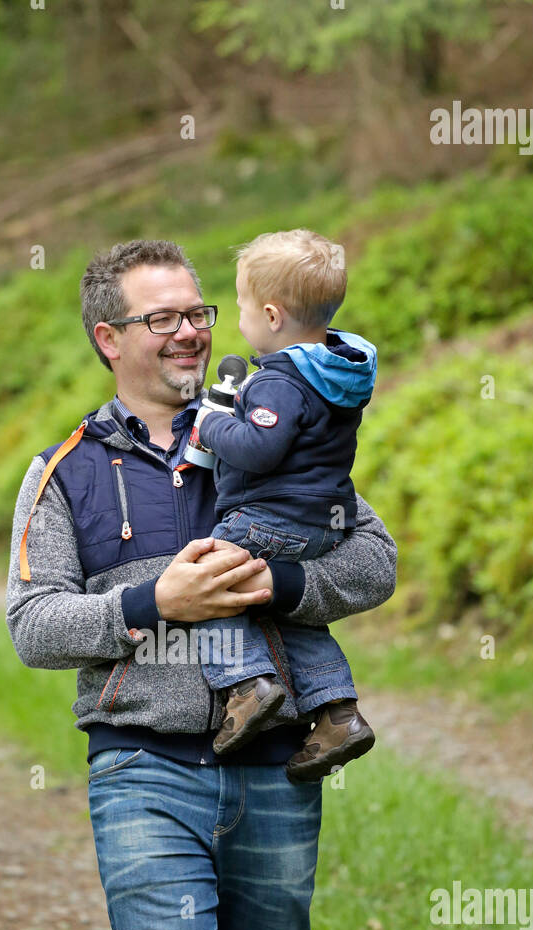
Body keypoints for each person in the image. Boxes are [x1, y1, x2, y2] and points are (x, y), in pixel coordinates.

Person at [5, 239, 397, 930]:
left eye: (196, 312)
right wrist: (151, 606)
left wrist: (272, 582)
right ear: (108, 339)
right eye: (161, 318)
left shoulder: (278, 422)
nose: (189, 331)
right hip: (141, 765)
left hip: (274, 764)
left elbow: (371, 561)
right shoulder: (69, 470)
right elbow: (34, 626)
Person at [193, 228, 377, 783]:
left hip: (272, 518)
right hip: (324, 524)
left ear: (272, 315)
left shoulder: (280, 381)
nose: (240, 321)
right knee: (296, 622)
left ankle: (248, 686)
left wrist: (214, 426)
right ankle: (338, 714)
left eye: (243, 308)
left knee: (206, 585)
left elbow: (261, 449)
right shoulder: (334, 373)